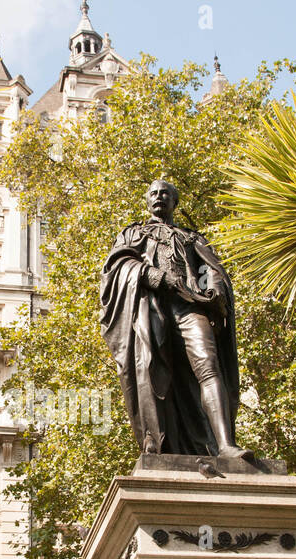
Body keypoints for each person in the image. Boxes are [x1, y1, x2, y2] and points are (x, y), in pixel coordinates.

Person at [100, 179, 248, 459]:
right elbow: (117, 266)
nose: (159, 197)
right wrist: (152, 275)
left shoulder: (192, 238)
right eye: (154, 193)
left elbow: (212, 269)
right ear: (147, 200)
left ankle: (226, 445)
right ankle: (158, 442)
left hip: (189, 306)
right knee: (153, 370)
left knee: (208, 365)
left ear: (174, 201)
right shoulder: (133, 233)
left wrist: (215, 290)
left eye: (165, 193)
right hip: (151, 307)